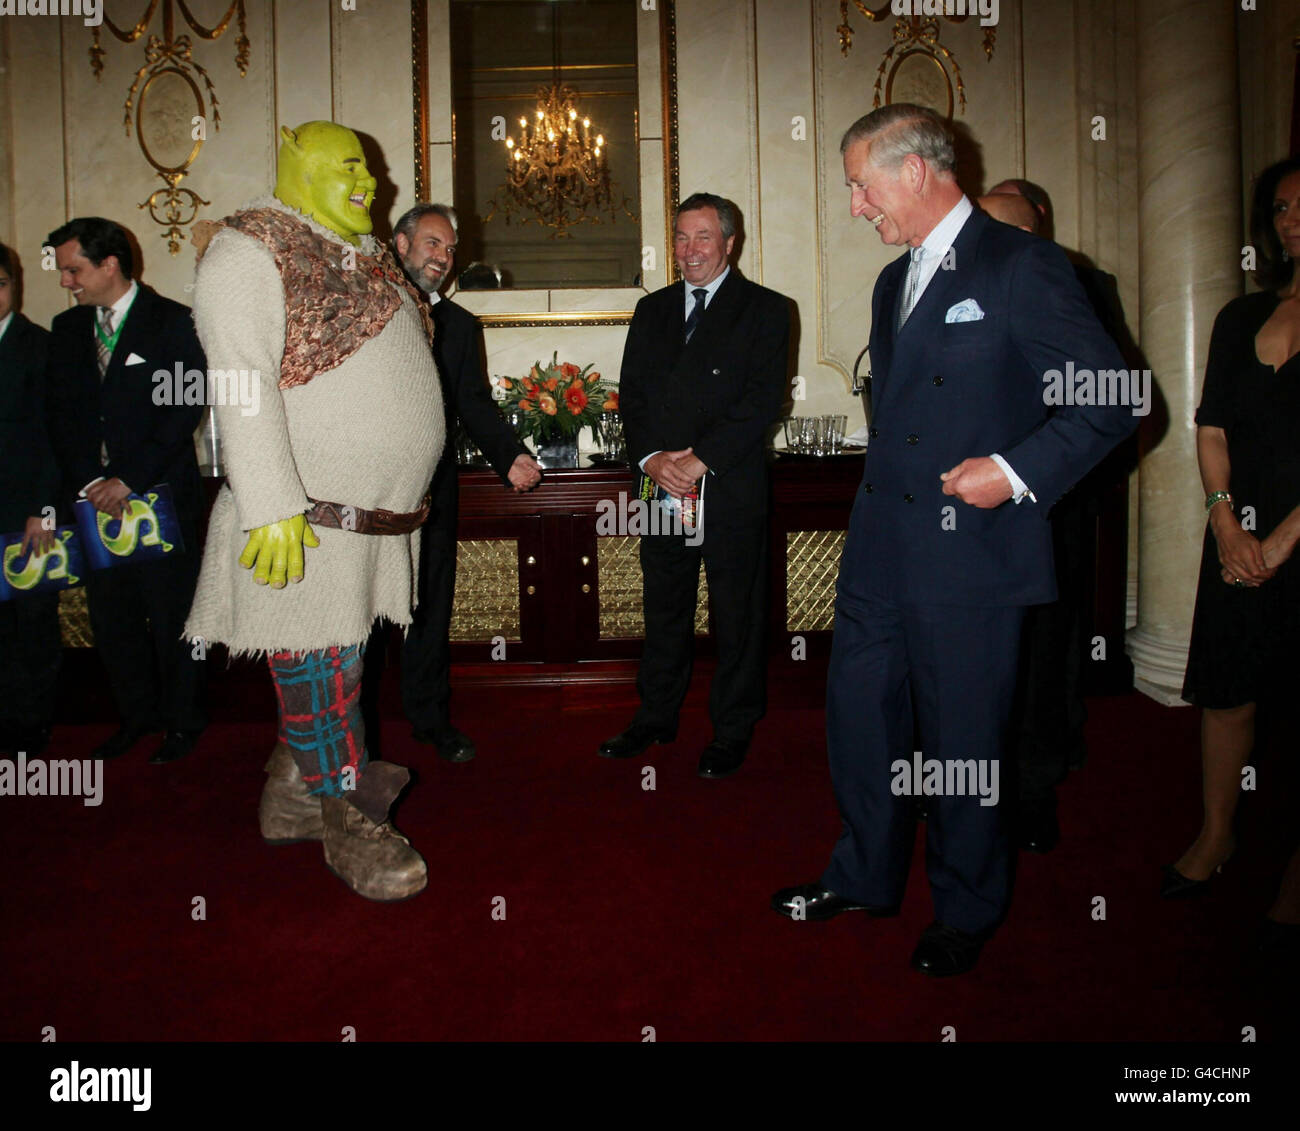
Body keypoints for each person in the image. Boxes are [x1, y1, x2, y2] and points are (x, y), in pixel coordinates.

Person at [772, 105, 1137, 975]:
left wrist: (1012, 470)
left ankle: (968, 905)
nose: (857, 205)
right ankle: (864, 873)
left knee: (965, 746)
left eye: (862, 185)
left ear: (914, 172)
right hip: (878, 552)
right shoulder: (891, 282)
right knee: (861, 723)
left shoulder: (1026, 267)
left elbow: (1118, 396)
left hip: (971, 556)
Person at [184, 121, 444, 902]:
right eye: (345, 166)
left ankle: (287, 800)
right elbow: (238, 379)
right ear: (294, 164)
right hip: (301, 517)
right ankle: (347, 817)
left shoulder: (359, 253)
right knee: (323, 667)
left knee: (339, 661)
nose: (367, 180)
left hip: (368, 519)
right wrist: (267, 504)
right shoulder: (248, 248)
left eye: (367, 167)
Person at [601, 192, 791, 779]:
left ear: (730, 242)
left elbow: (764, 401)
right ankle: (655, 716)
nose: (689, 250)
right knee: (664, 607)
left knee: (738, 613)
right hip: (661, 487)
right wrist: (655, 459)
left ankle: (732, 729)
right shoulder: (651, 310)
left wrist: (700, 460)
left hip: (728, 483)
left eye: (703, 237)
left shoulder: (767, 310)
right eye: (681, 238)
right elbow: (631, 396)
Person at [1166, 156, 1300, 952]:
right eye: (1281, 206)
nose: (1291, 219)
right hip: (1239, 538)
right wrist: (1225, 521)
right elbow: (1210, 424)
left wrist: (1280, 540)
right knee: (1227, 693)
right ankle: (1217, 835)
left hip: (1289, 543)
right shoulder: (1237, 316)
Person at [381, 203, 541, 763]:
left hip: (432, 491)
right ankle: (351, 723)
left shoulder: (460, 325)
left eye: (450, 249)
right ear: (399, 245)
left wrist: (511, 455)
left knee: (430, 606)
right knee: (364, 610)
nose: (443, 258)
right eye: (432, 244)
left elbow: (473, 402)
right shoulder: (364, 310)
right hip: (364, 491)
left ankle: (429, 719)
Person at [44, 218, 207, 764]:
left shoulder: (173, 323)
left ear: (109, 264)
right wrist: (91, 482)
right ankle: (136, 718)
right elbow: (60, 416)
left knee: (170, 619)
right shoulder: (66, 331)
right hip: (93, 503)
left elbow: (183, 410)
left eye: (74, 269)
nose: (66, 281)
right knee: (112, 620)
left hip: (157, 497)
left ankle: (182, 724)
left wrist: (128, 479)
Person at [0, 244, 60, 757]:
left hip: (25, 509)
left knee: (32, 618)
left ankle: (31, 721)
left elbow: (52, 436)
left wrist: (42, 509)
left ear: (14, 285)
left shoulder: (38, 346)